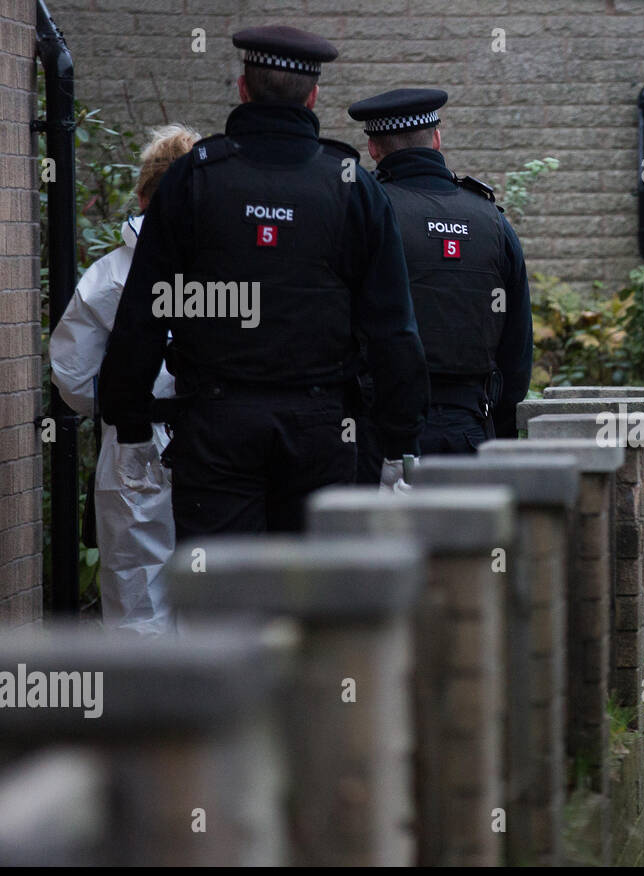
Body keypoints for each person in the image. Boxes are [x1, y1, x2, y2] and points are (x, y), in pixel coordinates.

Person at [99, 26, 429, 539]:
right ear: (314, 95)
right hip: (321, 428)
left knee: (223, 601)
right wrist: (398, 437)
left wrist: (131, 423)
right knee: (315, 596)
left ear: (242, 88)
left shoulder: (194, 178)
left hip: (216, 427)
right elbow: (392, 327)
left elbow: (146, 308)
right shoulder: (352, 187)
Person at [49, 125, 200, 635]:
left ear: (142, 194)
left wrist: (111, 405)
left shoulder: (109, 275)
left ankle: (147, 711)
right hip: (216, 436)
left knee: (138, 592)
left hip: (135, 440)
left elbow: (72, 376)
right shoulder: (228, 270)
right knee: (213, 592)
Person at [346, 87, 531, 476]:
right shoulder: (492, 220)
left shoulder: (366, 212)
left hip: (380, 435)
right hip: (471, 432)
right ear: (436, 139)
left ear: (374, 148)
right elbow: (517, 350)